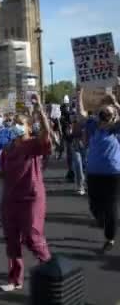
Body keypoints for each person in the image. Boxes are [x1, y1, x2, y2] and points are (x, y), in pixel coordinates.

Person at [0, 96, 52, 292]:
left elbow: (46, 134)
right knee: (11, 239)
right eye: (14, 123)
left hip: (31, 197)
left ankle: (50, 269)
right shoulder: (7, 149)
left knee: (32, 237)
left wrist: (40, 109)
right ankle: (15, 279)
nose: (16, 126)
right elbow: (4, 172)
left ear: (29, 127)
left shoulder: (33, 145)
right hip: (11, 198)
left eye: (20, 124)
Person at [79, 89, 120, 253]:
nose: (105, 113)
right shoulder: (93, 126)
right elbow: (81, 115)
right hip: (94, 173)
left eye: (108, 112)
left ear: (114, 115)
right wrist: (79, 95)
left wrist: (115, 102)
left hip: (113, 174)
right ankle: (103, 221)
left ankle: (109, 238)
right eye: (104, 110)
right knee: (94, 206)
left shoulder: (116, 129)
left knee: (111, 207)